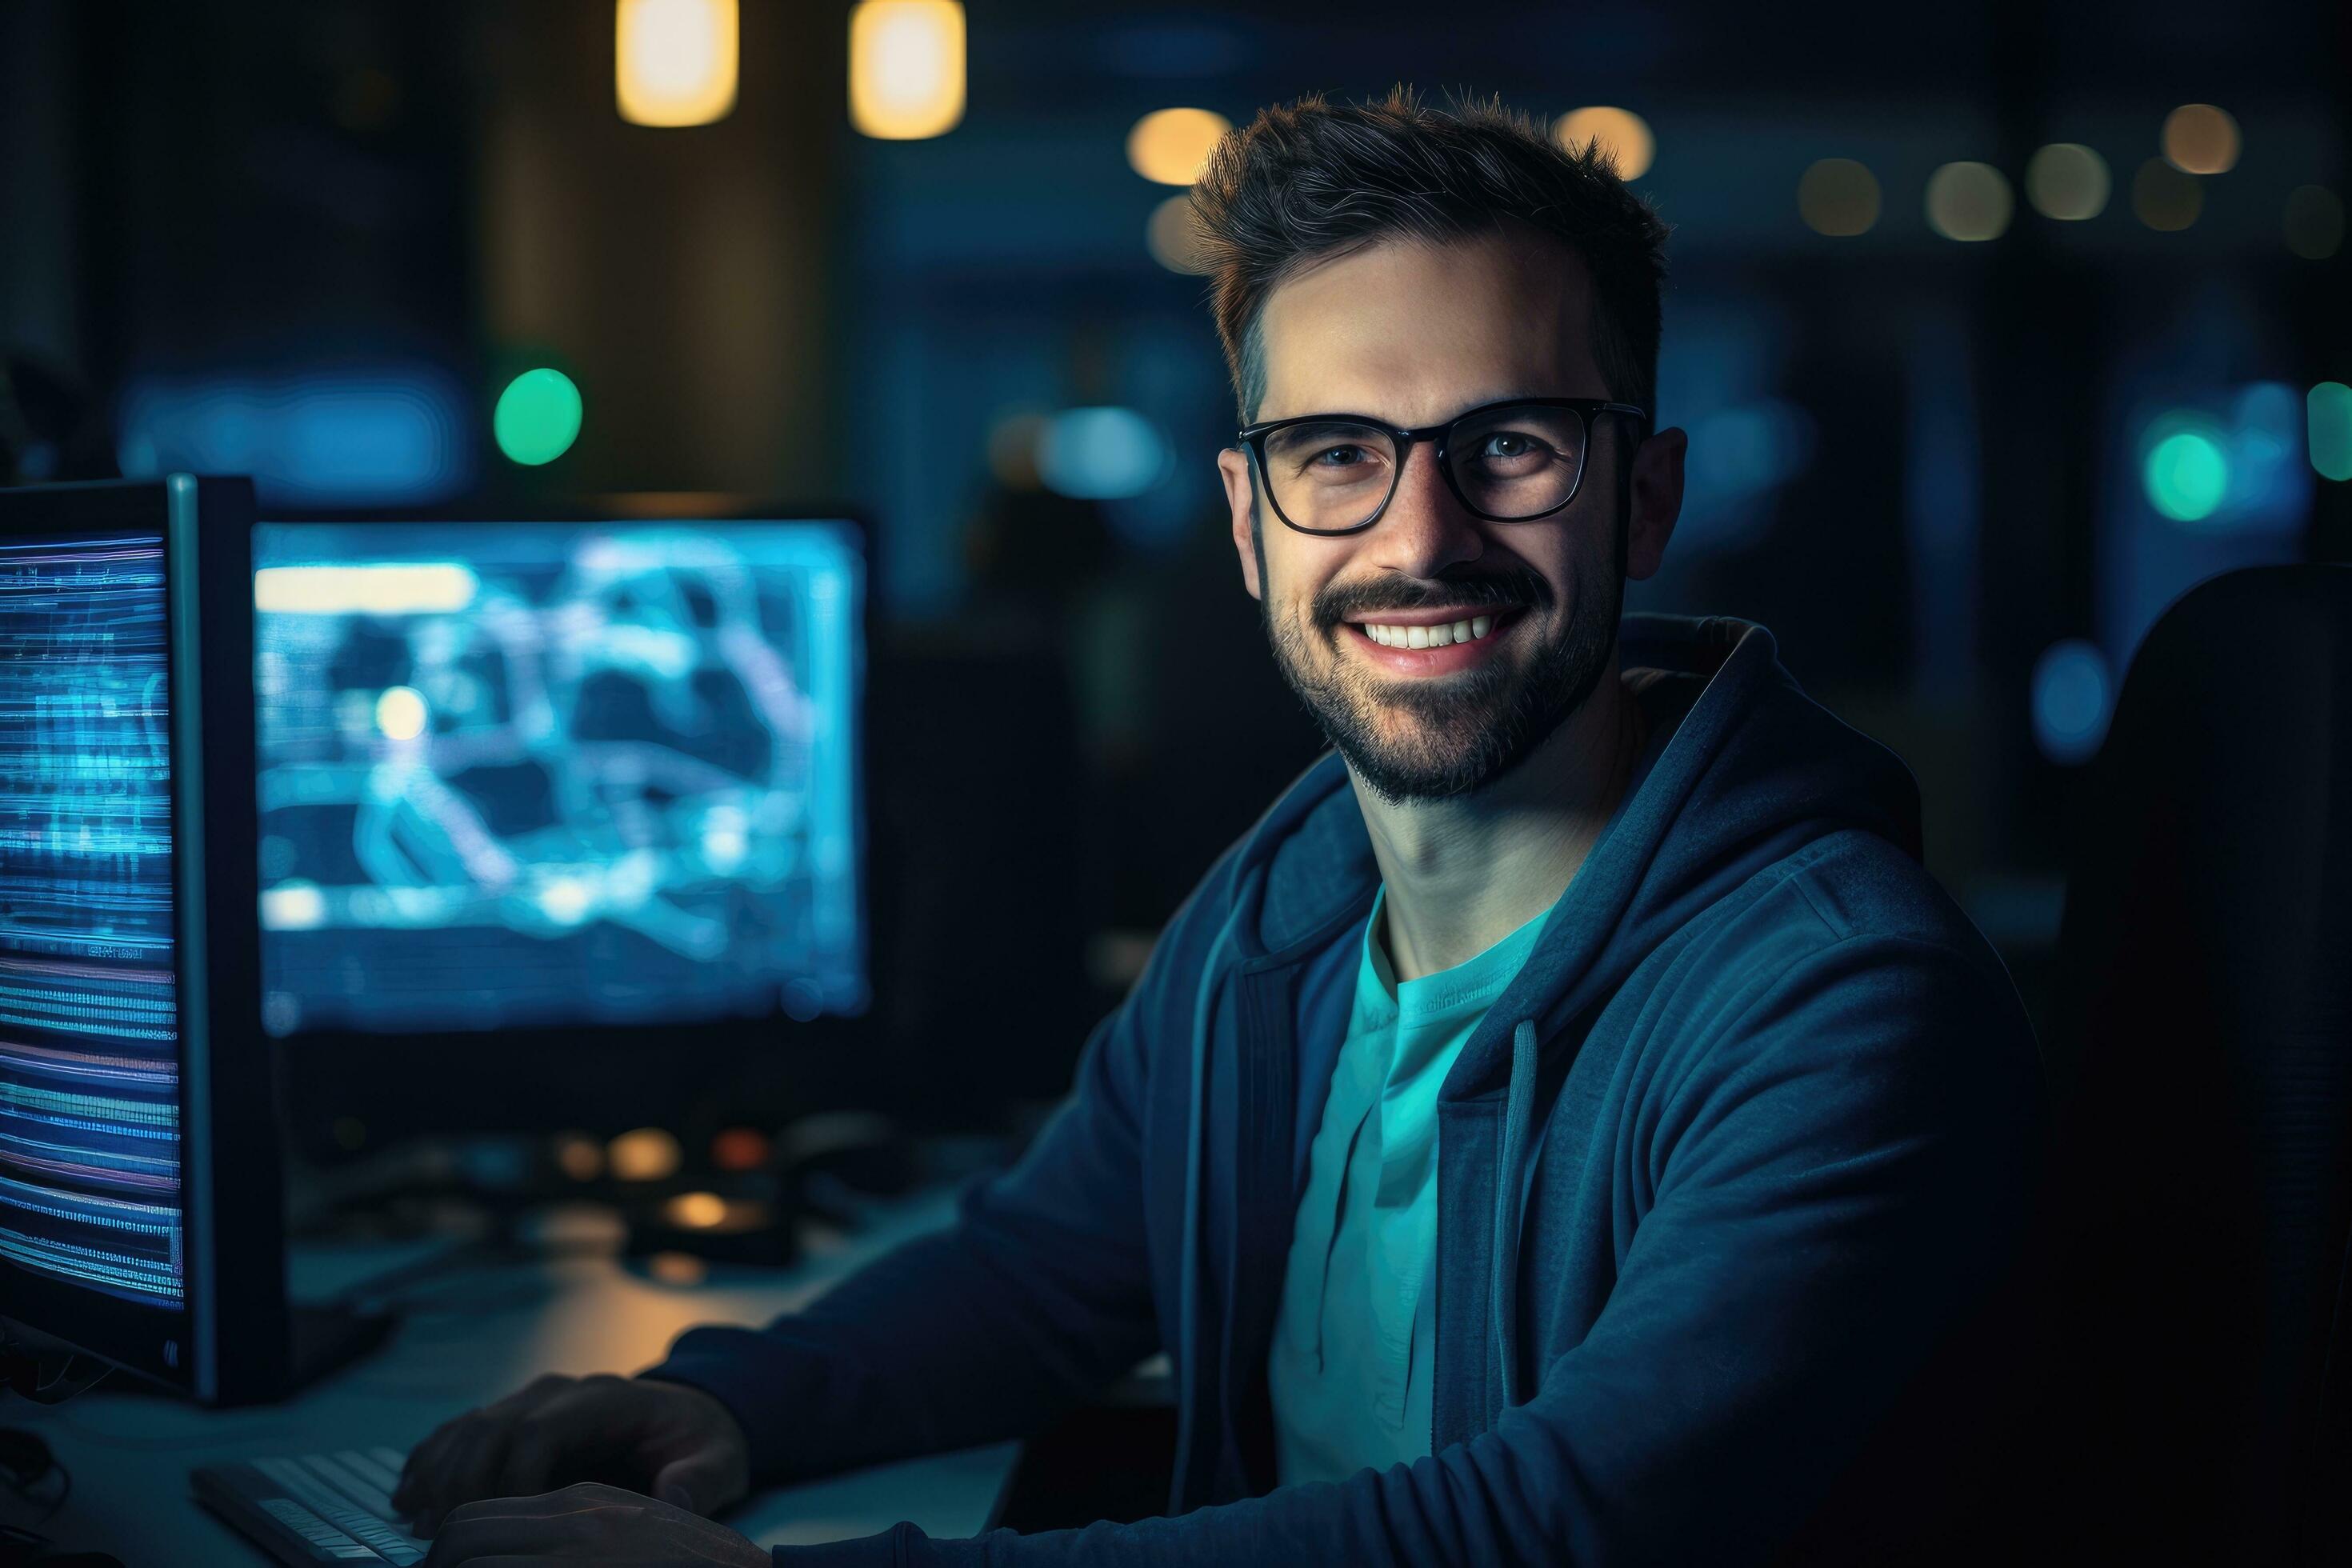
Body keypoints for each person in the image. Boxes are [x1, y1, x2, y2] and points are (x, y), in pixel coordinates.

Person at [402, 90, 2043, 1566]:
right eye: (1337, 454)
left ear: (1647, 497)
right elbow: (1044, 1270)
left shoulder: (1839, 1000)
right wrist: (722, 1404)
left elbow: (1559, 1522)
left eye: (1511, 447)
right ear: (1251, 524)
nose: (1422, 536)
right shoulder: (1290, 906)